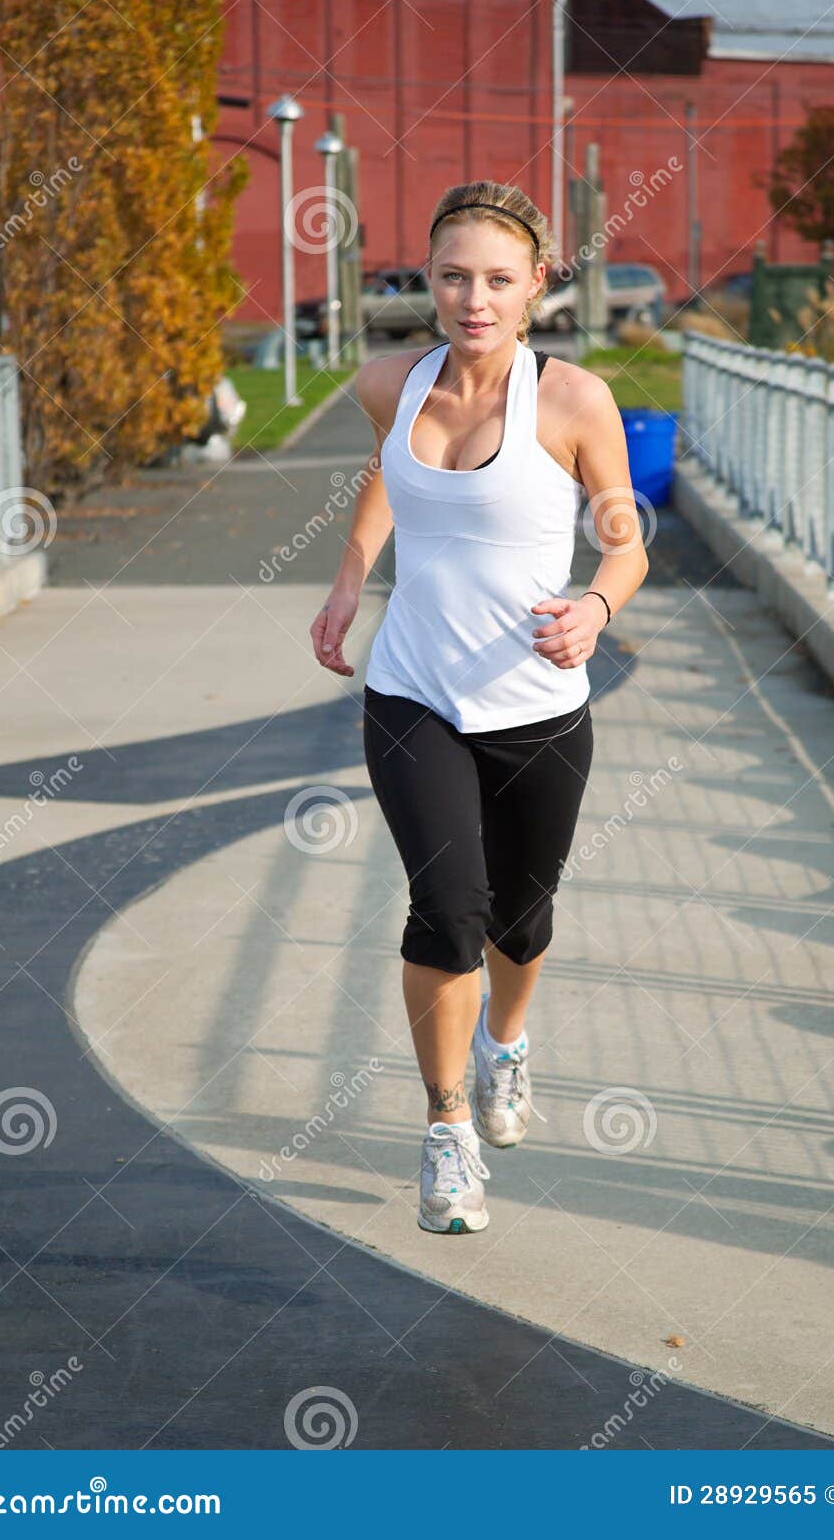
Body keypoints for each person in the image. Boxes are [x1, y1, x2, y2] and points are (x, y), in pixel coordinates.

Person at [309, 179, 649, 1233]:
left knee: (519, 916)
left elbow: (624, 539)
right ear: (429, 277)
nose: (473, 298)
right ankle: (446, 1128)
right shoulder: (392, 384)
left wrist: (596, 604)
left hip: (537, 706)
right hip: (413, 693)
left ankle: (507, 1043)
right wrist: (349, 575)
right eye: (453, 275)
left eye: (497, 279)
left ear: (536, 285)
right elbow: (383, 471)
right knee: (445, 908)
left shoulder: (572, 402)